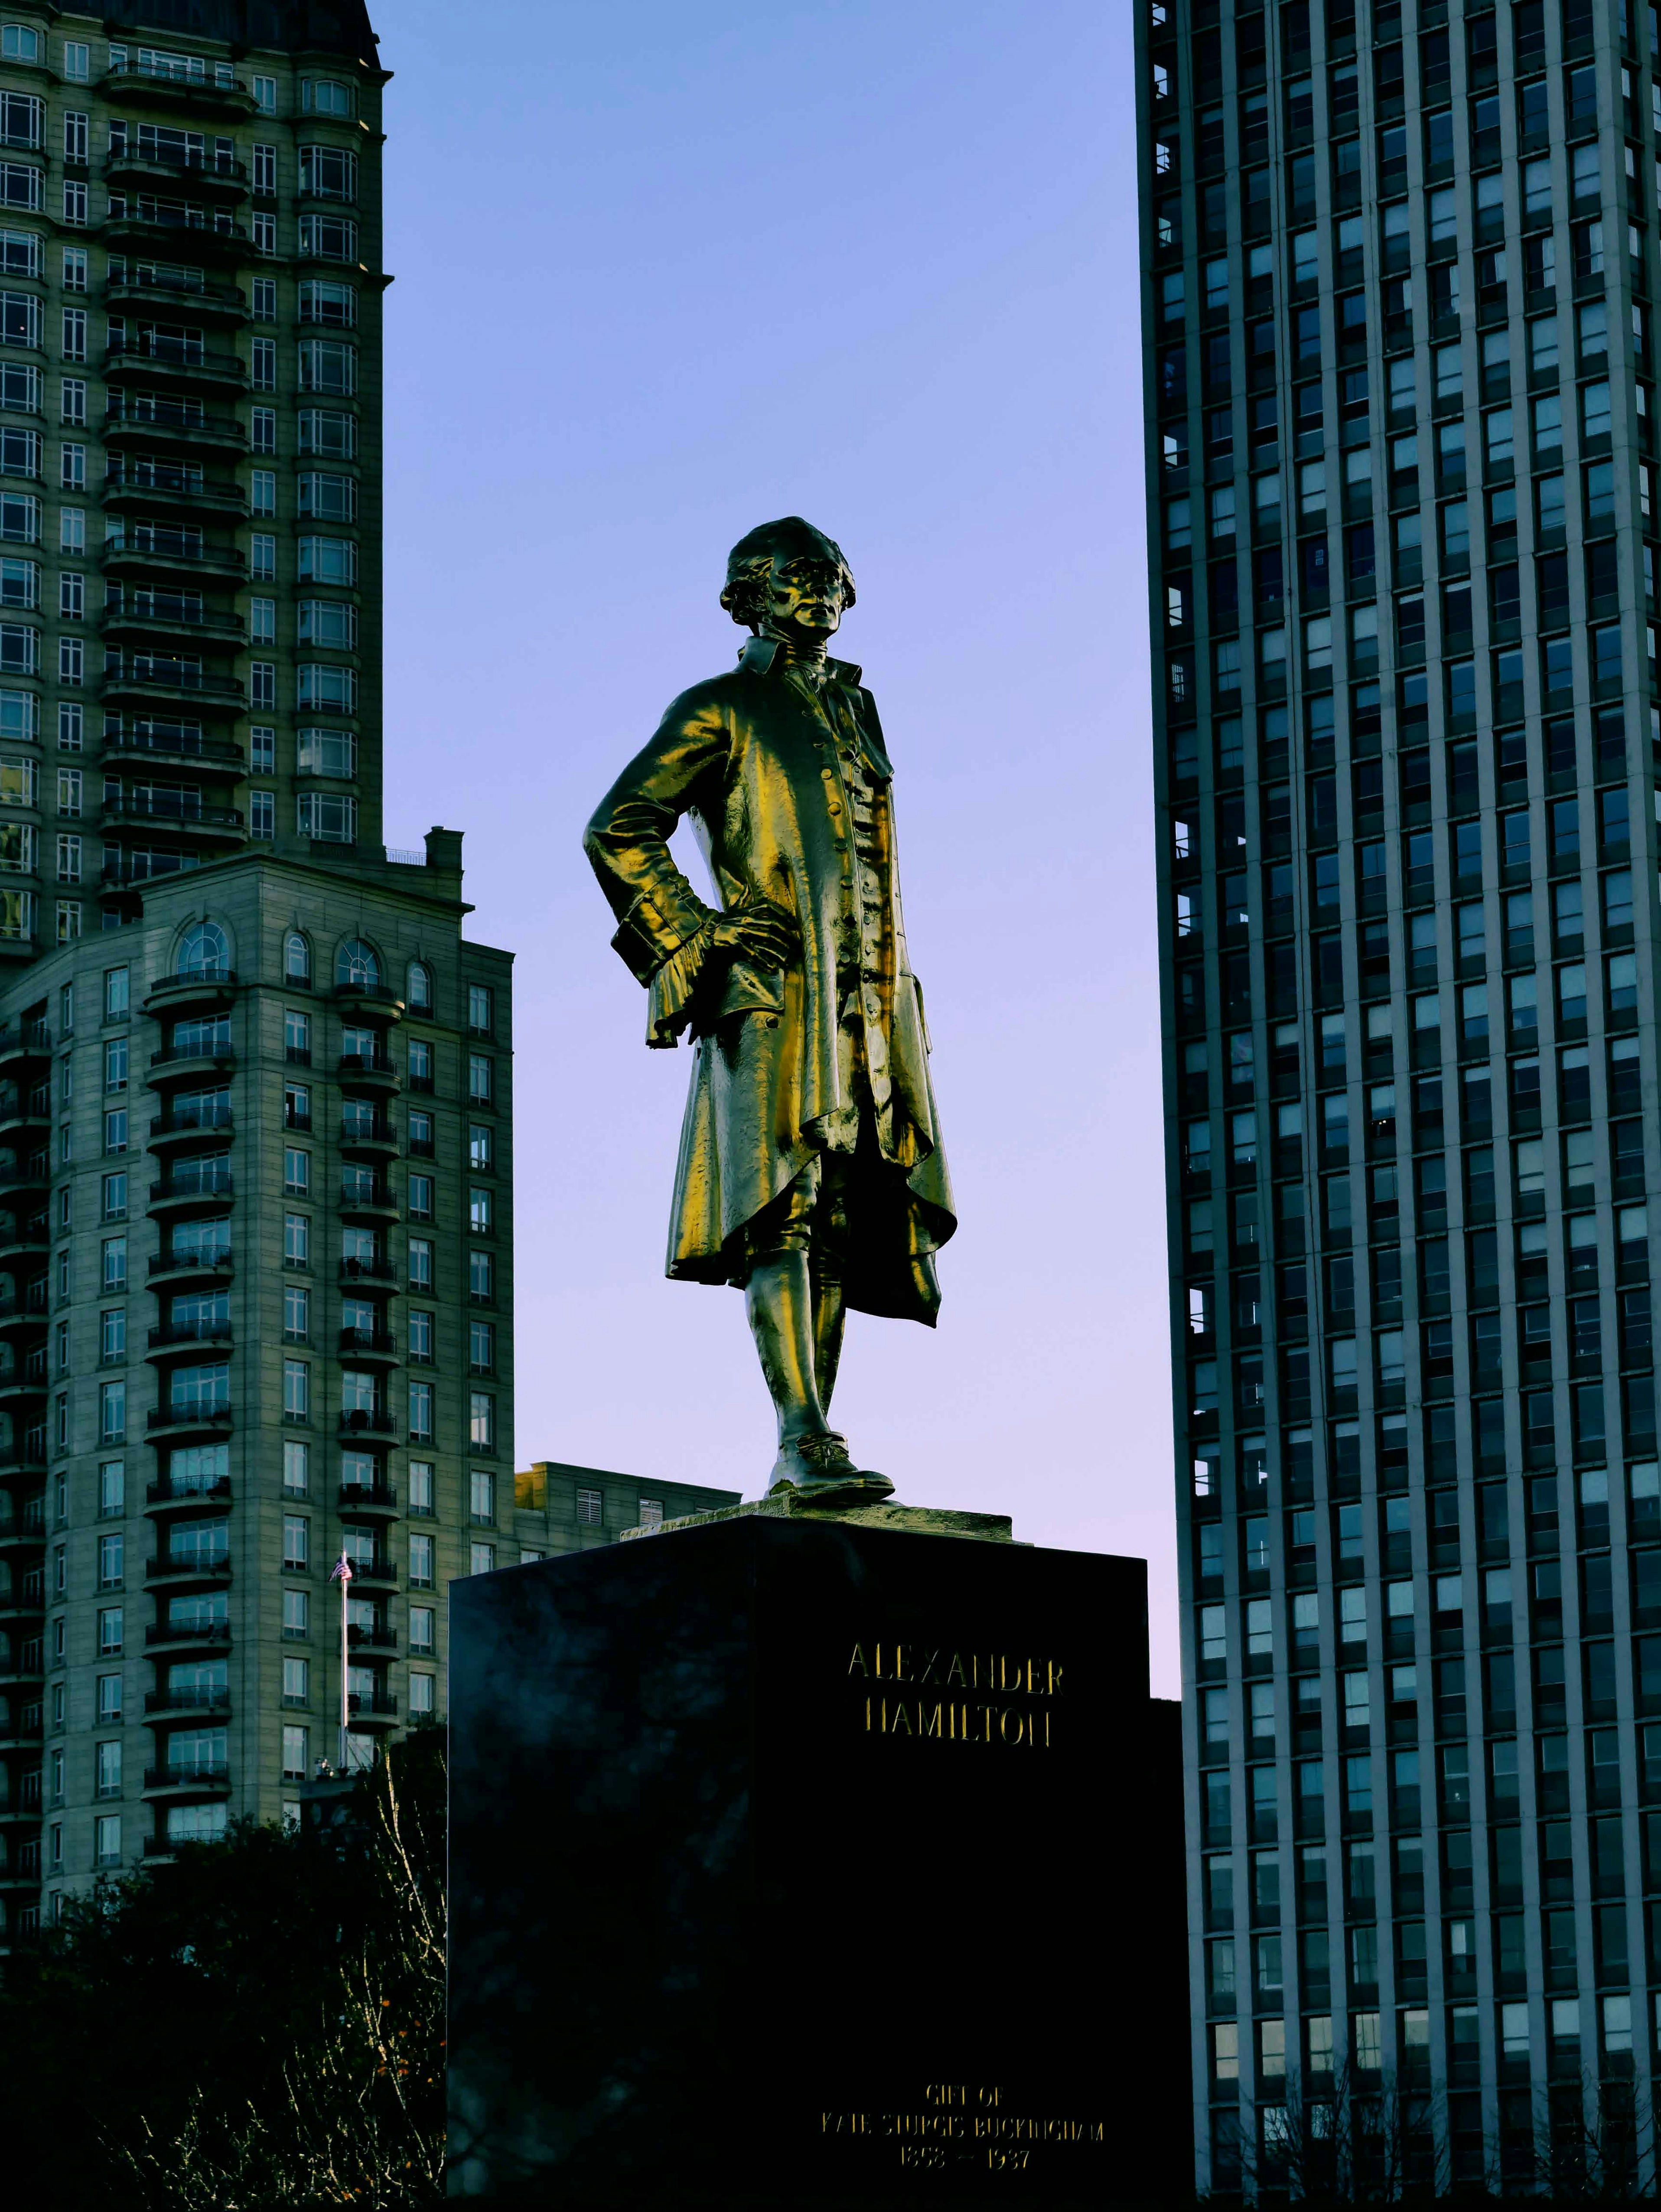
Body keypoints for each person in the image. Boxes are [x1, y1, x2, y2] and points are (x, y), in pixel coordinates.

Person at [583, 518, 956, 1504]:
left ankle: (812, 1441)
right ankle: (801, 1431)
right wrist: (698, 933)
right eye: (797, 576)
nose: (820, 591)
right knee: (782, 1208)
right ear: (747, 594)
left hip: (869, 998)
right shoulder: (720, 705)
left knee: (838, 1209)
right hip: (773, 993)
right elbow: (618, 827)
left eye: (832, 576)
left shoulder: (858, 711)